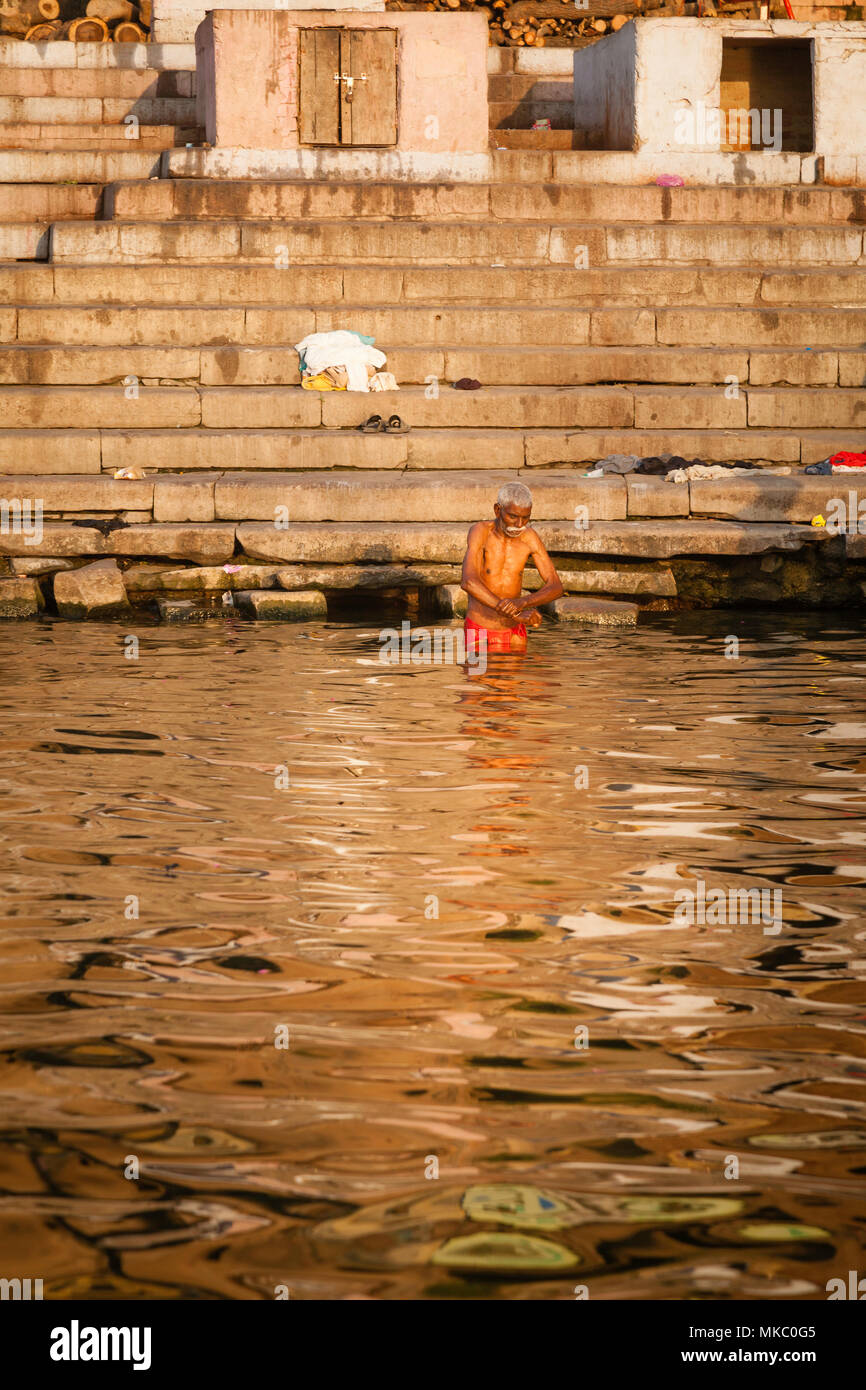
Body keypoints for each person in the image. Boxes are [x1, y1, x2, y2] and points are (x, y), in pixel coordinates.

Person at [460, 483, 564, 654]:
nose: (519, 524)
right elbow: (468, 582)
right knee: (478, 680)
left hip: (515, 632)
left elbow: (556, 586)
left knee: (536, 680)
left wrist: (524, 602)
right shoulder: (481, 532)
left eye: (526, 517)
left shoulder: (529, 537)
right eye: (513, 516)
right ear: (497, 510)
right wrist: (514, 613)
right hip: (479, 631)